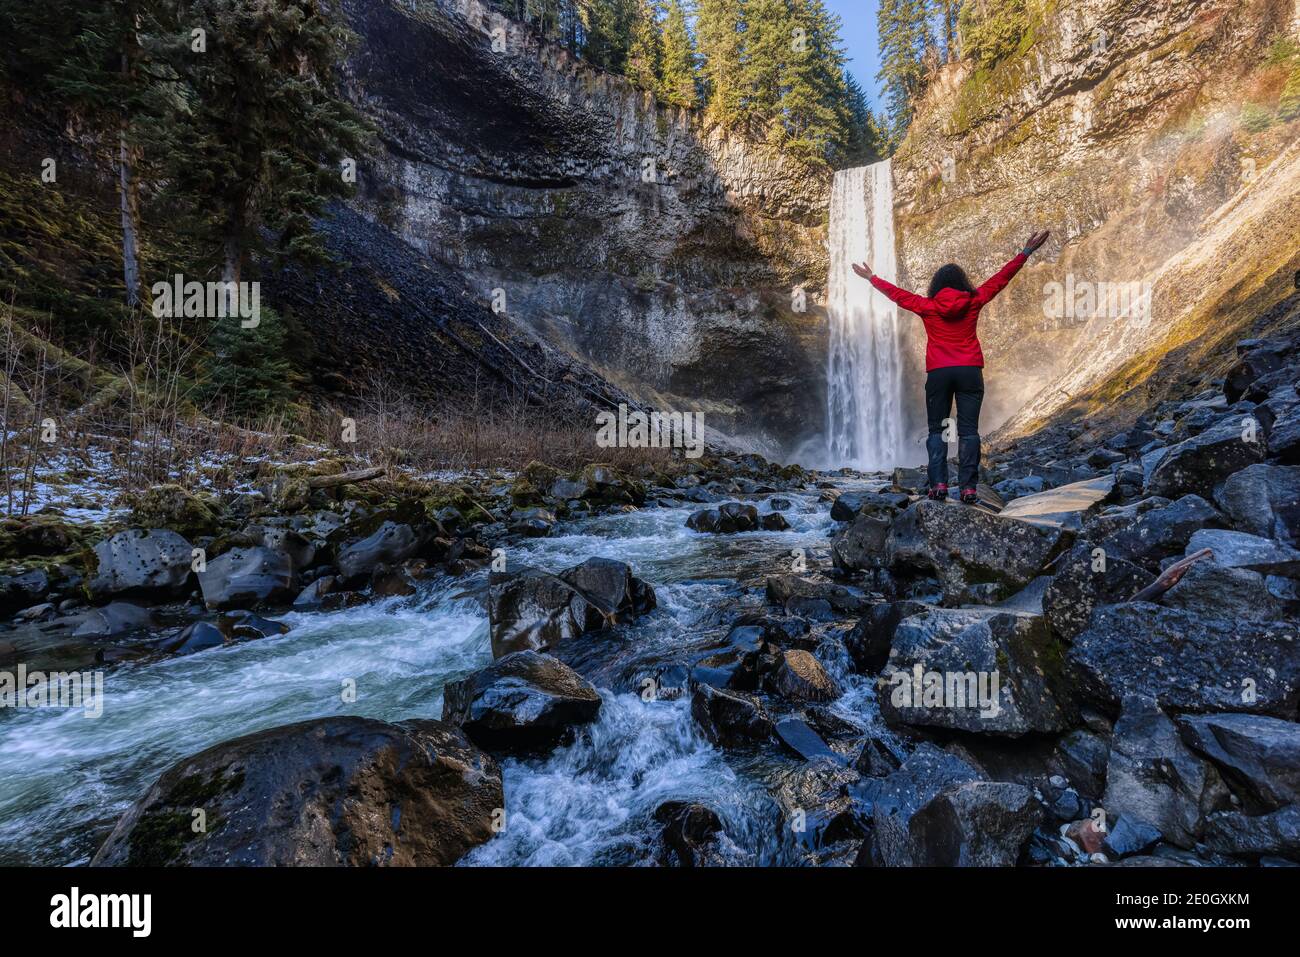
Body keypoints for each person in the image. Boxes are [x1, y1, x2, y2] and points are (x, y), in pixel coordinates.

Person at [852, 230, 1050, 504]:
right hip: (969, 371)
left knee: (938, 429)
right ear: (962, 283)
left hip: (939, 374)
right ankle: (968, 488)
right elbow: (1000, 280)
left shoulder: (927, 306)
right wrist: (1025, 253)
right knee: (968, 430)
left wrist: (872, 279)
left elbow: (898, 296)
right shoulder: (974, 300)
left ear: (936, 286)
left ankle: (939, 486)